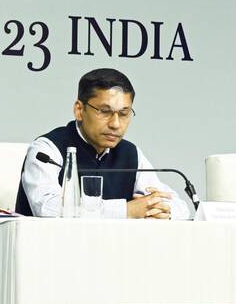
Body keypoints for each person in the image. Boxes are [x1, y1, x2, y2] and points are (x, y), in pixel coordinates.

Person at [15, 68, 189, 219]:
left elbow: (180, 207)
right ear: (79, 110)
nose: (115, 124)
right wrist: (126, 210)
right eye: (105, 112)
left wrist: (161, 211)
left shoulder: (130, 153)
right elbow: (47, 208)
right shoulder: (47, 150)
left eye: (124, 113)